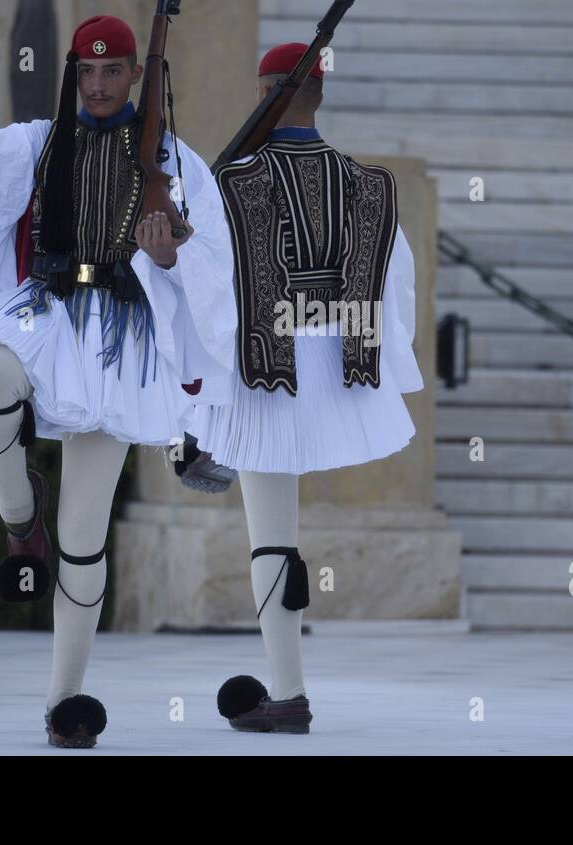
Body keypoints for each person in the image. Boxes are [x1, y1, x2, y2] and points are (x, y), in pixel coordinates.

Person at [0, 14, 235, 748]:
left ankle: (66, 698)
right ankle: (17, 514)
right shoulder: (41, 140)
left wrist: (168, 259)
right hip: (46, 312)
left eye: (111, 71)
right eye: (85, 72)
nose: (96, 85)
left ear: (136, 75)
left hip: (122, 344)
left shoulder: (174, 160)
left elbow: (214, 268)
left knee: (85, 536)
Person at [196, 43, 424, 733]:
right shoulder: (370, 184)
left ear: (265, 90)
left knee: (270, 535)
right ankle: (286, 688)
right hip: (342, 362)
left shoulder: (232, 183)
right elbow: (399, 287)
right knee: (279, 536)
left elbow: (207, 297)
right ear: (319, 94)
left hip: (267, 368)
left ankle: (289, 693)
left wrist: (199, 396)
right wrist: (386, 368)